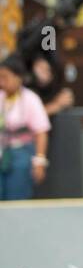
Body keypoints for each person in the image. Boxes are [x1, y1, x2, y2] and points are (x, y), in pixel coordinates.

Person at [0, 54, 52, 201]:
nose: (2, 82)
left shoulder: (30, 99)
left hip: (21, 153)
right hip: (1, 151)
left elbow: (41, 131)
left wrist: (39, 161)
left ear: (18, 78)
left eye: (6, 78)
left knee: (17, 196)